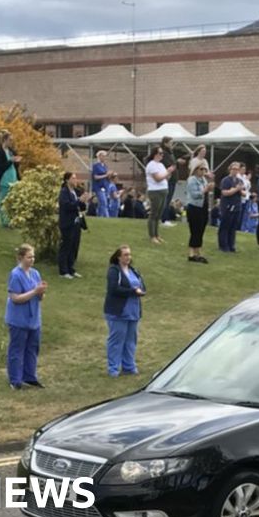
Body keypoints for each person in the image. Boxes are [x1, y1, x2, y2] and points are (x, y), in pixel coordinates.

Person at [4, 244, 46, 390]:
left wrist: (41, 292)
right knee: (17, 349)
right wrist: (35, 291)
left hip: (33, 318)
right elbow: (15, 298)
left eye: (33, 256)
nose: (32, 260)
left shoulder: (35, 273)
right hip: (18, 319)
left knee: (32, 349)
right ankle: (15, 379)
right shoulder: (15, 275)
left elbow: (40, 297)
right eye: (29, 257)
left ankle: (30, 376)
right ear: (21, 258)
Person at [104, 245, 146, 378]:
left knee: (130, 340)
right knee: (117, 340)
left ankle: (129, 366)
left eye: (129, 254)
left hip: (133, 311)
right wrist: (133, 291)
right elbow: (113, 289)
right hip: (118, 311)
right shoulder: (114, 271)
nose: (128, 257)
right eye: (125, 255)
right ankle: (113, 368)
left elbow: (141, 285)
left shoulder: (134, 270)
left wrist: (141, 291)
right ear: (118, 257)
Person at [58, 172, 88, 279]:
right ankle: (63, 271)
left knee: (74, 246)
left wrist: (83, 201)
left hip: (76, 223)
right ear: (67, 180)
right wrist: (78, 201)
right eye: (73, 178)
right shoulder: (64, 192)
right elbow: (67, 206)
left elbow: (81, 207)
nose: (75, 180)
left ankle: (71, 268)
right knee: (66, 246)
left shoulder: (75, 192)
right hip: (67, 223)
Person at [145, 146, 173, 244]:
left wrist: (168, 173)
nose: (162, 155)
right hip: (155, 191)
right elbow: (157, 178)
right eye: (160, 153)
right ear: (155, 154)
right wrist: (167, 172)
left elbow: (165, 177)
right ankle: (152, 235)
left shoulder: (161, 165)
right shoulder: (151, 165)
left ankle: (157, 234)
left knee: (159, 214)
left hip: (163, 189)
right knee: (154, 214)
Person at [0, 130, 22, 228]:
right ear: (4, 140)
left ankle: (13, 221)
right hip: (4, 179)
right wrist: (10, 161)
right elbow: (0, 167)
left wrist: (17, 161)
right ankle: (5, 221)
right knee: (4, 201)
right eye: (10, 140)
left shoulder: (11, 151)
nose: (11, 142)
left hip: (13, 178)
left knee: (14, 201)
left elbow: (16, 165)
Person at [186, 160, 212, 263]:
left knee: (201, 229)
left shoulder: (203, 180)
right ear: (196, 170)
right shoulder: (192, 180)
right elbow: (194, 194)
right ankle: (191, 252)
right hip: (194, 207)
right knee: (195, 230)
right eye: (201, 169)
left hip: (203, 207)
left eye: (205, 169)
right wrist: (205, 190)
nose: (203, 171)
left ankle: (198, 250)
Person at [217, 162, 244, 253]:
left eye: (237, 169)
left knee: (233, 227)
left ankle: (231, 245)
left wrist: (240, 190)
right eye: (234, 169)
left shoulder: (239, 181)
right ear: (230, 169)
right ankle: (223, 245)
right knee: (225, 226)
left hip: (237, 206)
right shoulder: (226, 180)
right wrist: (235, 189)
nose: (235, 171)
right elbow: (224, 193)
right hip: (228, 206)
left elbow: (244, 193)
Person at [159, 137, 178, 226]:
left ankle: (165, 218)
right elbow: (167, 164)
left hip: (173, 179)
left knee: (168, 198)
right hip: (168, 179)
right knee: (166, 199)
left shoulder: (170, 153)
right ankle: (164, 219)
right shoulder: (164, 153)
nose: (172, 145)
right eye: (170, 143)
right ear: (165, 143)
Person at [91, 150, 111, 218]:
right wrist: (105, 175)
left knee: (103, 203)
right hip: (99, 187)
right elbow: (95, 177)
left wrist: (109, 175)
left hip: (105, 186)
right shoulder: (96, 166)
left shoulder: (105, 166)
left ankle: (100, 216)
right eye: (103, 156)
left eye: (105, 156)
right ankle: (106, 216)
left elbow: (107, 175)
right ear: (99, 156)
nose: (104, 158)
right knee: (103, 202)